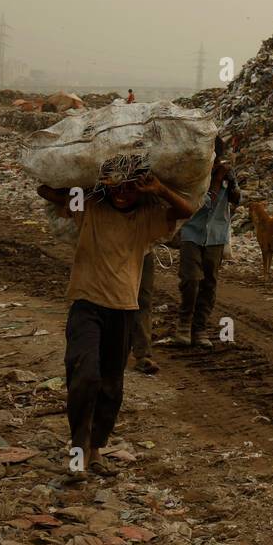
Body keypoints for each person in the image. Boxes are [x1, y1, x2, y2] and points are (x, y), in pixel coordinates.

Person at [38, 166, 194, 479]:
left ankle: (96, 449)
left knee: (111, 384)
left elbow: (186, 210)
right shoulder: (90, 207)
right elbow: (46, 190)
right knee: (83, 375)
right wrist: (97, 186)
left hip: (123, 309)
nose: (122, 193)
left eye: (130, 188)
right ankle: (78, 450)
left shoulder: (147, 217)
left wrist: (160, 189)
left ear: (141, 189)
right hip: (86, 305)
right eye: (118, 187)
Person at [168, 137, 240, 348]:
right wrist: (216, 182)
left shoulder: (224, 173)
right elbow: (198, 205)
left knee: (209, 284)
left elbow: (237, 200)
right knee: (190, 280)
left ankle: (199, 328)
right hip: (192, 233)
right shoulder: (194, 175)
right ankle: (184, 324)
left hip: (216, 236)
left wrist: (232, 183)